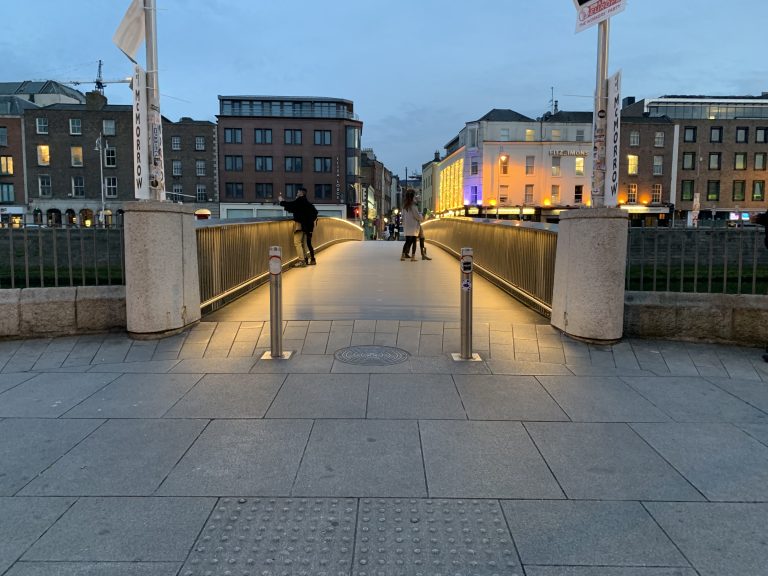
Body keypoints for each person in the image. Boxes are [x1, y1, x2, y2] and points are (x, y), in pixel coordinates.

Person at [279, 187, 318, 267]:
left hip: (299, 225)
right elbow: (295, 208)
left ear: (301, 193)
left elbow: (291, 205)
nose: (296, 193)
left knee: (297, 243)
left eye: (297, 192)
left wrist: (281, 201)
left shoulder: (300, 200)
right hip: (306, 226)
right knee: (303, 243)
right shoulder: (307, 203)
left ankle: (302, 261)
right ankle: (306, 259)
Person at [400, 190, 423, 261]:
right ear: (412, 197)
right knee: (414, 241)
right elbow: (417, 216)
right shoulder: (413, 206)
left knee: (407, 241)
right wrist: (422, 217)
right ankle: (413, 257)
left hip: (407, 226)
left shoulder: (404, 206)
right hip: (413, 226)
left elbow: (402, 216)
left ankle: (402, 255)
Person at [409, 196, 432, 261]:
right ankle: (422, 254)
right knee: (416, 239)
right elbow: (418, 217)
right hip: (415, 225)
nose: (418, 202)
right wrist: (422, 217)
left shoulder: (413, 206)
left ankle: (422, 254)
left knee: (418, 238)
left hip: (416, 225)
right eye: (418, 201)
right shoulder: (414, 206)